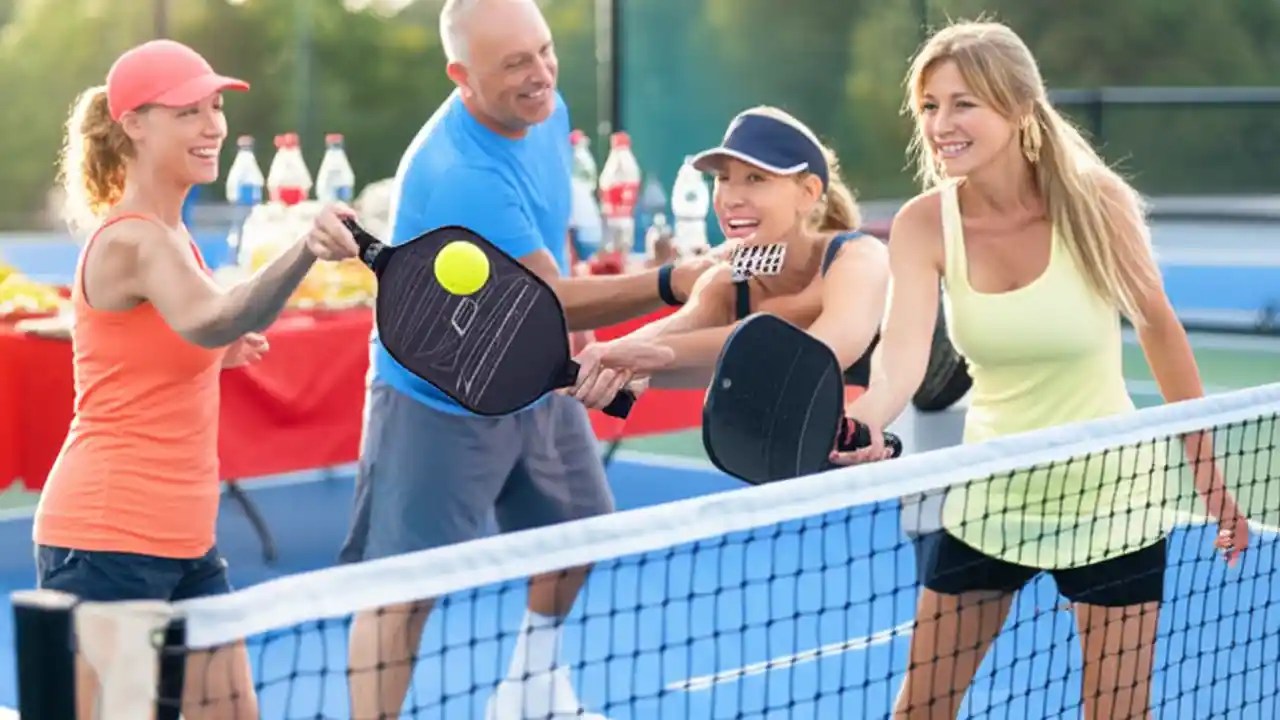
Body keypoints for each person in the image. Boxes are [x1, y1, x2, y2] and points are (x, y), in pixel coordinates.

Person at [831, 20, 1250, 720]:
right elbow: (900, 357)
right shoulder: (923, 224)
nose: (941, 123)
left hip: (1113, 497)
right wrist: (864, 421)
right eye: (929, 106)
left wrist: (1211, 484)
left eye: (964, 103)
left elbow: (1161, 332)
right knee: (918, 712)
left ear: (1020, 107)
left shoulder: (1097, 203)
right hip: (993, 496)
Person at [337, 1, 706, 719]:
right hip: (436, 401)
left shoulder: (545, 109)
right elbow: (550, 301)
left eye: (544, 51)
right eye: (515, 64)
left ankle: (530, 691)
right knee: (403, 594)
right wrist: (668, 282)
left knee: (578, 538)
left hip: (533, 381)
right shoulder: (454, 172)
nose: (540, 74)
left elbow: (545, 247)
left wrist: (572, 356)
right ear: (462, 76)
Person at [33, 39, 361, 720]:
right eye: (189, 111)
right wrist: (305, 246)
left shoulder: (173, 237)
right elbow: (209, 318)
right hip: (105, 544)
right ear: (133, 124)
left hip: (186, 543)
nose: (213, 125)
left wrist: (217, 350)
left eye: (215, 108)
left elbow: (187, 331)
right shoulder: (132, 240)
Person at [568, 105, 889, 407]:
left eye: (756, 178)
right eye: (723, 179)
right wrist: (612, 362)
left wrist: (654, 355)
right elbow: (686, 335)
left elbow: (814, 357)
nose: (731, 199)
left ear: (808, 193)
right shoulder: (728, 277)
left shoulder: (857, 257)